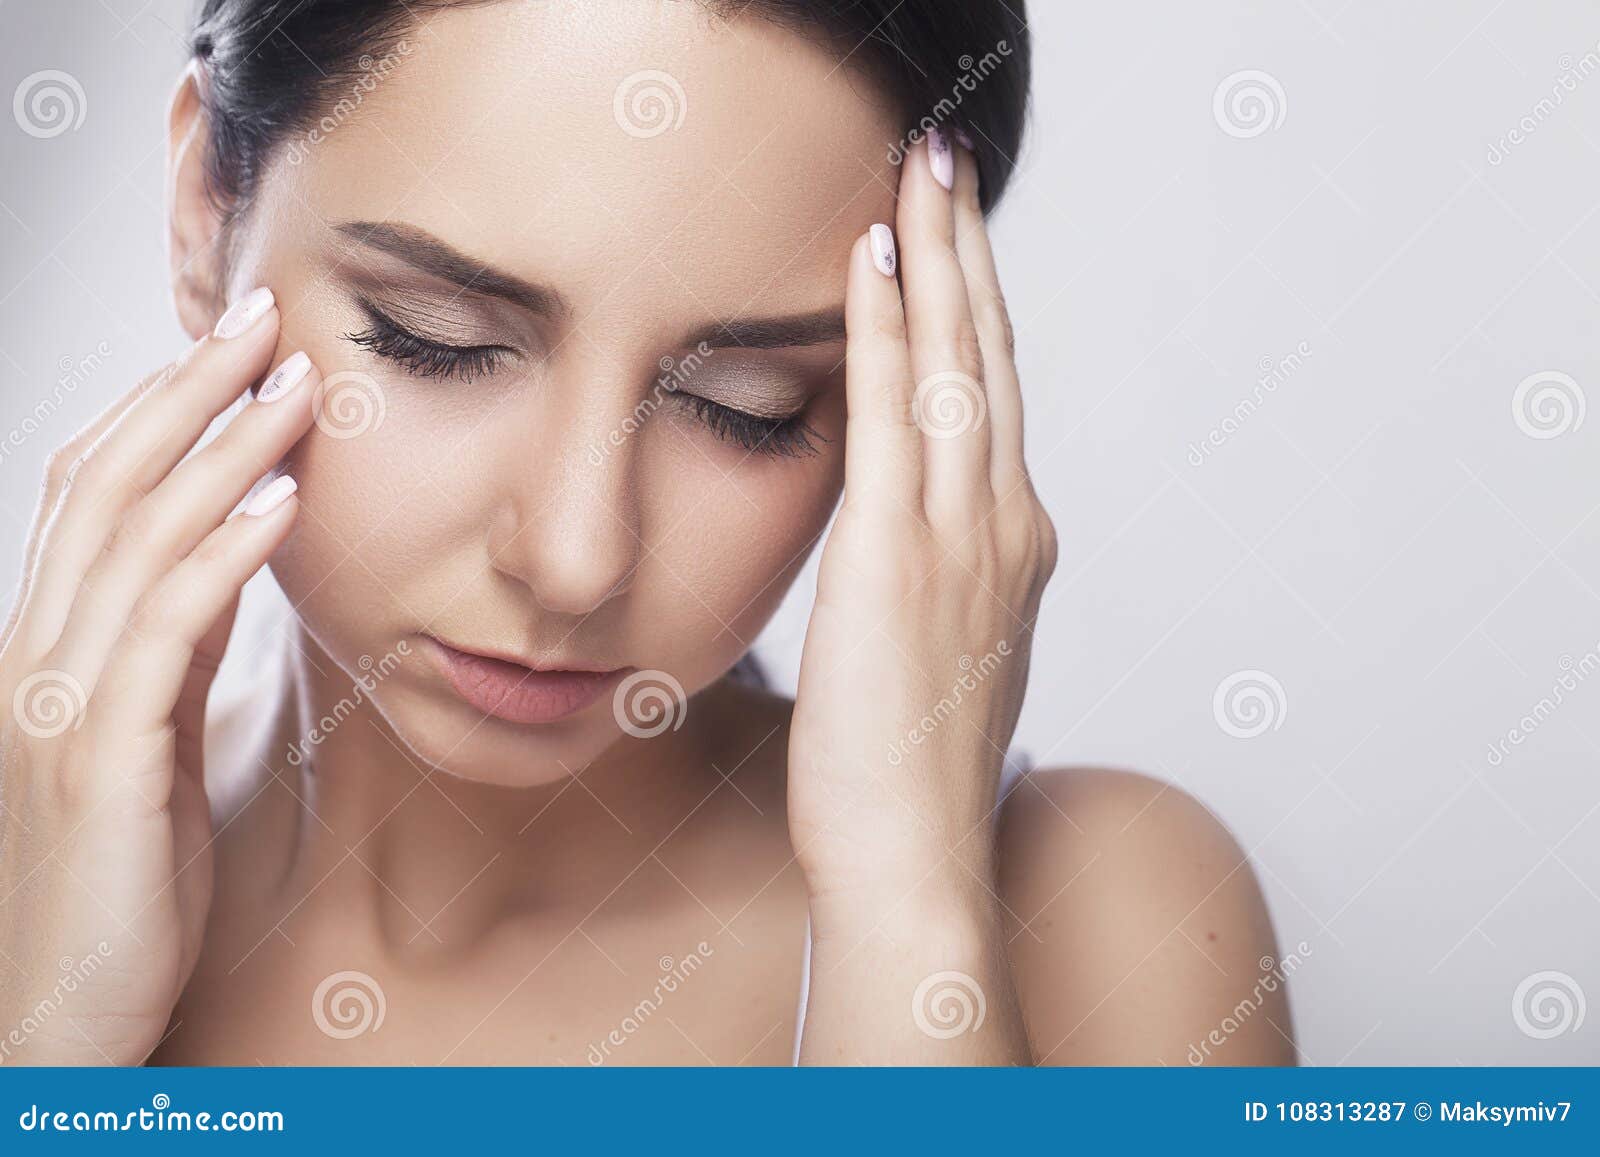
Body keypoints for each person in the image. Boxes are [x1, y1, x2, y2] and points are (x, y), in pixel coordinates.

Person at [0, 0, 1292, 1066]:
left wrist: (910, 920)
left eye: (748, 405)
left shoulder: (1095, 917)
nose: (577, 559)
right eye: (438, 340)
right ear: (208, 207)